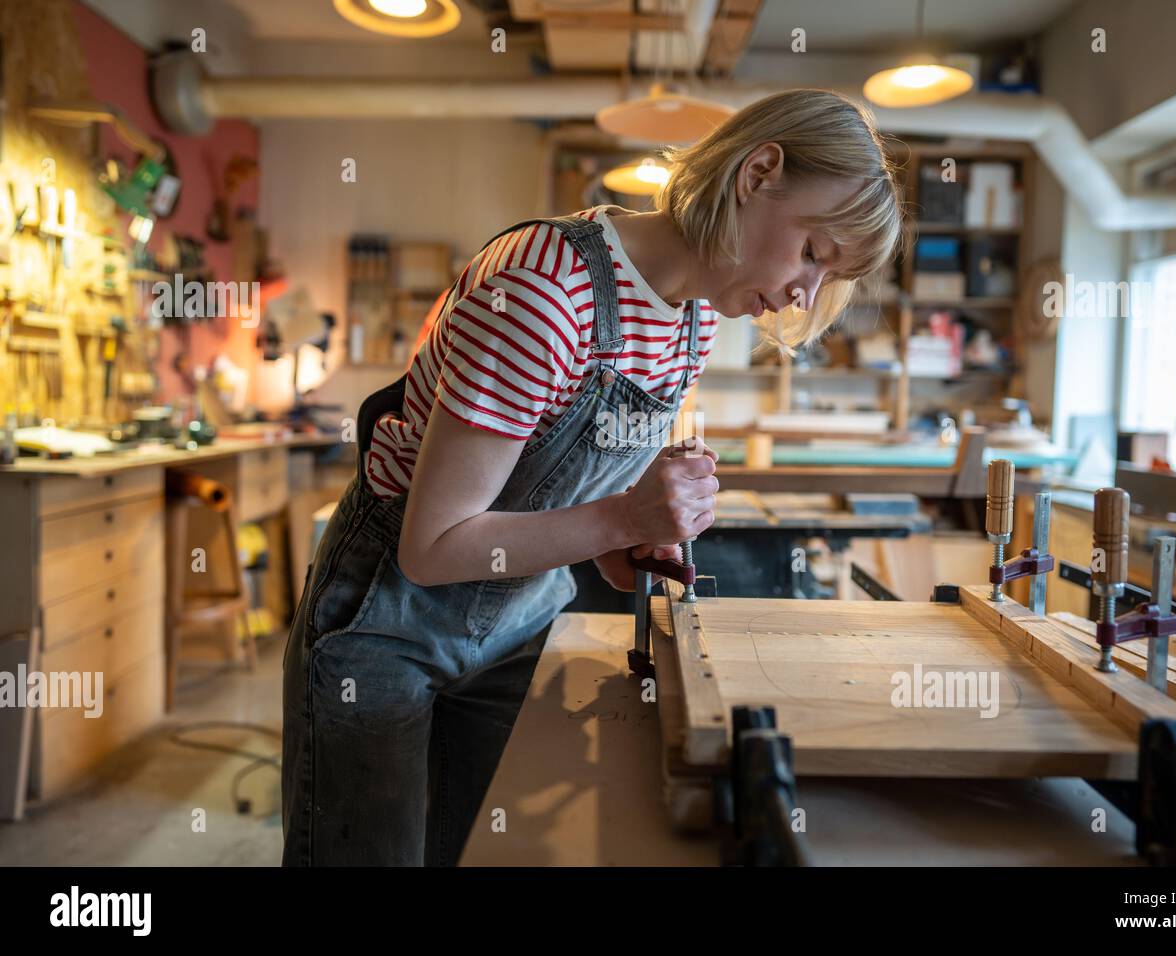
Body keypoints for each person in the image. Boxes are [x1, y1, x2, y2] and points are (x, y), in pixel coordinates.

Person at [281, 88, 904, 865]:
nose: (802, 296)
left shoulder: (695, 316)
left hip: (519, 619)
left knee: (488, 850)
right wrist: (622, 518)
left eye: (828, 278)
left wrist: (624, 540)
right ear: (758, 172)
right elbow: (433, 547)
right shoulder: (543, 290)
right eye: (813, 252)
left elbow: (562, 501)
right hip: (391, 623)